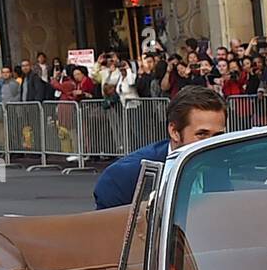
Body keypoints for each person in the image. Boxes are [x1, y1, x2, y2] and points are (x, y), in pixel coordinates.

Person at [93, 86, 227, 210]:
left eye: (218, 136)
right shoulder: (124, 177)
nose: (211, 144)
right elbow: (107, 232)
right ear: (174, 131)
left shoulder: (218, 171)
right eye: (202, 135)